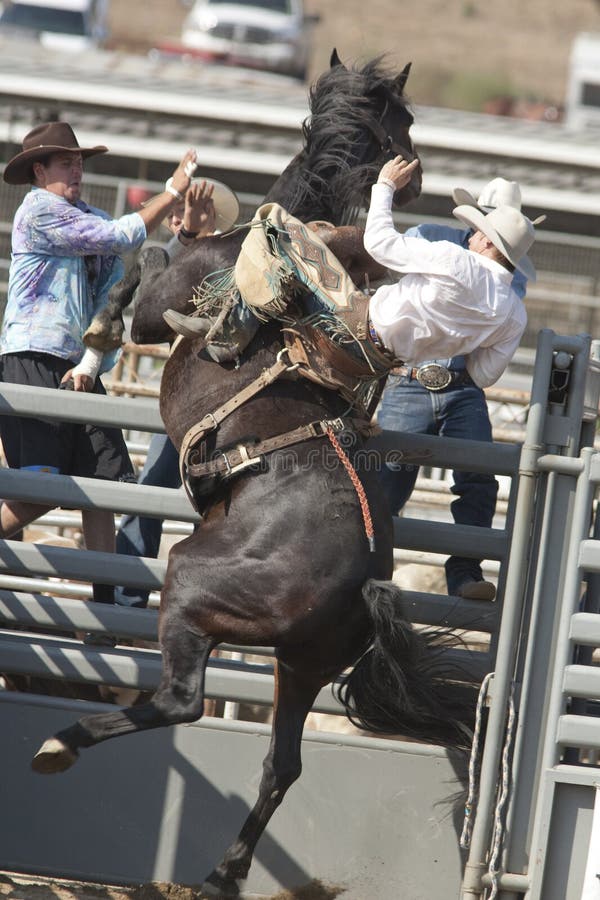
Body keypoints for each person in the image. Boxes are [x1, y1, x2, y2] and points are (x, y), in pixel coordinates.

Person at [0, 121, 198, 618]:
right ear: (39, 171)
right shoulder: (38, 210)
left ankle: (104, 611)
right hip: (33, 356)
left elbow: (115, 296)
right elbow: (119, 235)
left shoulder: (87, 218)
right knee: (37, 491)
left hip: (73, 365)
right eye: (66, 162)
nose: (76, 169)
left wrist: (90, 362)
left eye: (78, 161)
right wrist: (171, 192)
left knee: (103, 489)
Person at [376, 177, 534, 601]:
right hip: (432, 378)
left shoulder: (437, 244)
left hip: (440, 381)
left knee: (475, 480)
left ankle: (461, 573)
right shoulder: (493, 271)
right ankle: (373, 569)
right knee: (389, 478)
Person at [114, 176, 240, 609]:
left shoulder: (229, 261)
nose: (181, 221)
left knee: (212, 504)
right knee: (152, 490)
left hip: (222, 402)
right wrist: (187, 235)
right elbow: (151, 306)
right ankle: (127, 599)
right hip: (188, 401)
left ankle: (182, 606)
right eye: (179, 215)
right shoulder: (176, 260)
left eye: (189, 214)